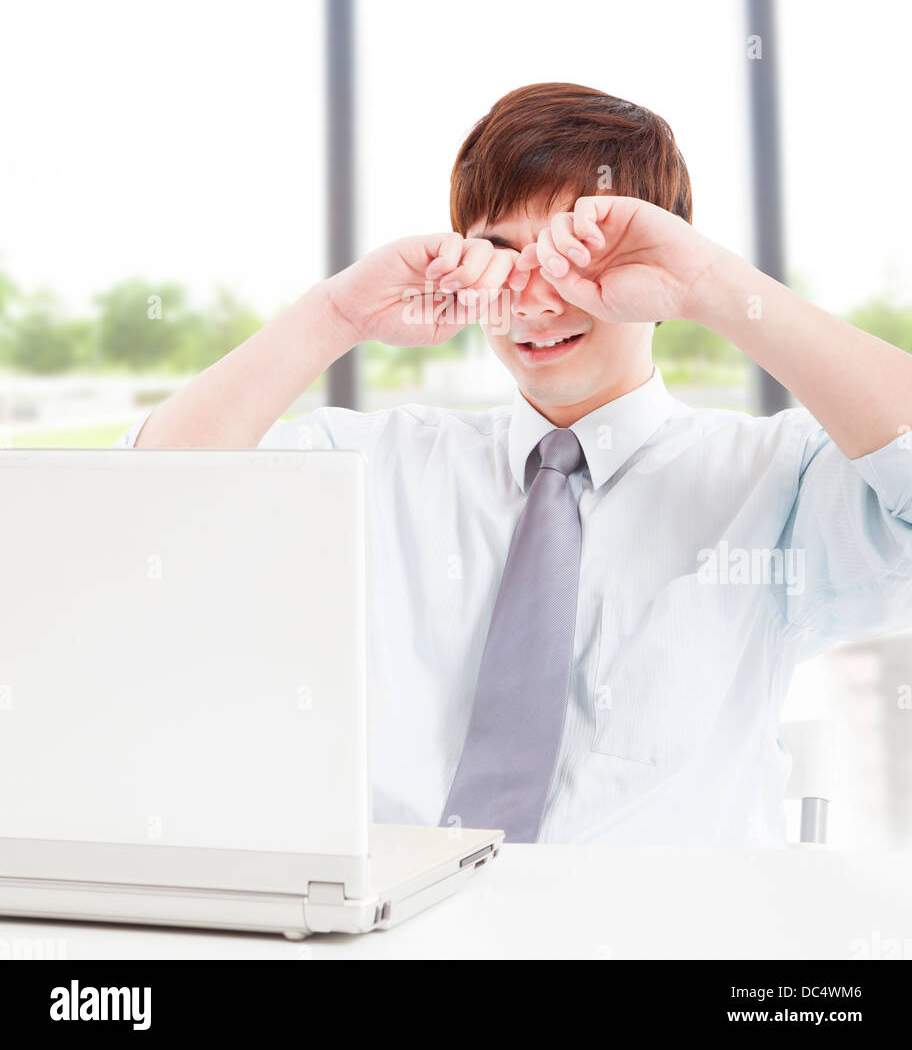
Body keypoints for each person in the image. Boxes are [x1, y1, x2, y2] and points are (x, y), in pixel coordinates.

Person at [115, 81, 912, 845]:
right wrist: (335, 315)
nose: (535, 301)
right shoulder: (373, 465)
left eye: (581, 256)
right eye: (501, 256)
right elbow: (141, 516)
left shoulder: (775, 482)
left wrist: (710, 283)